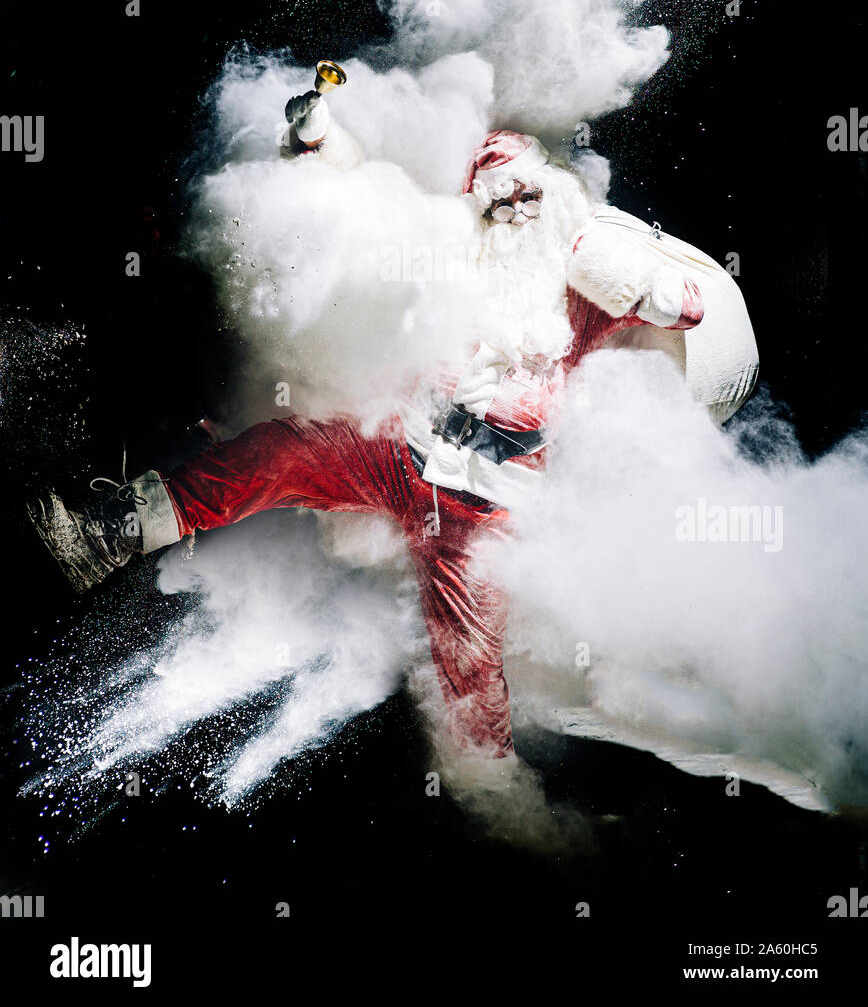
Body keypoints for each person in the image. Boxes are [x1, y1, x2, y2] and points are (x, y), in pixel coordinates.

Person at [28, 70, 758, 780]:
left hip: (480, 505)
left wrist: (645, 283)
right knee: (274, 456)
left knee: (468, 668)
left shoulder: (580, 272)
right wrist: (319, 140)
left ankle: (497, 808)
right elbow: (374, 194)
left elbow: (682, 305)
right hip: (393, 442)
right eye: (493, 185)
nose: (507, 204)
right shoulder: (462, 227)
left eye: (520, 191)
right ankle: (106, 535)